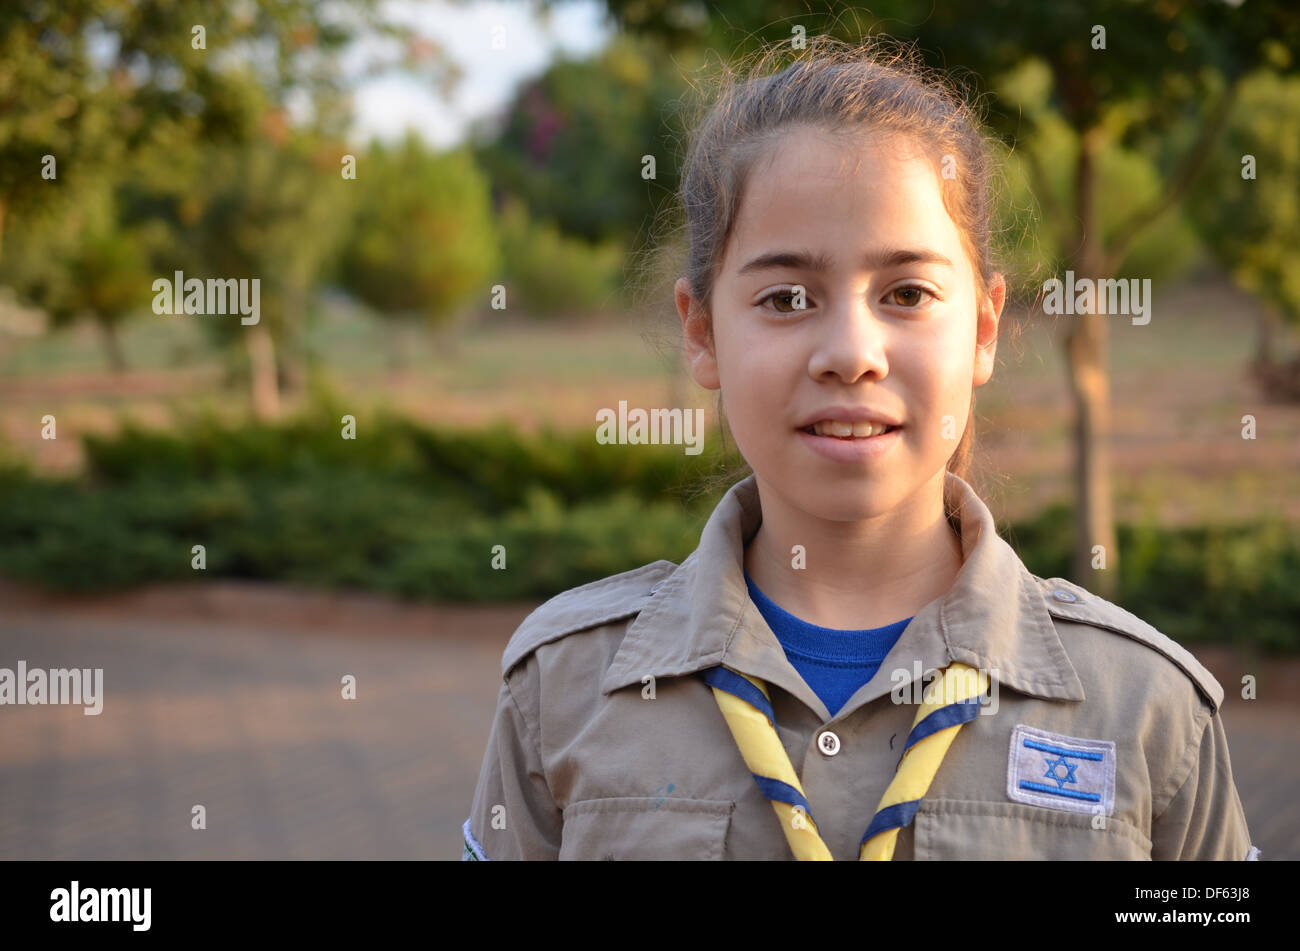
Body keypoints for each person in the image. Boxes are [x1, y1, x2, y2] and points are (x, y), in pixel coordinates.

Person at [462, 36, 1259, 861]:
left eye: (907, 293)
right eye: (786, 297)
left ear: (983, 329)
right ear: (700, 333)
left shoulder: (1146, 712)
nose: (851, 350)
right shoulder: (562, 692)